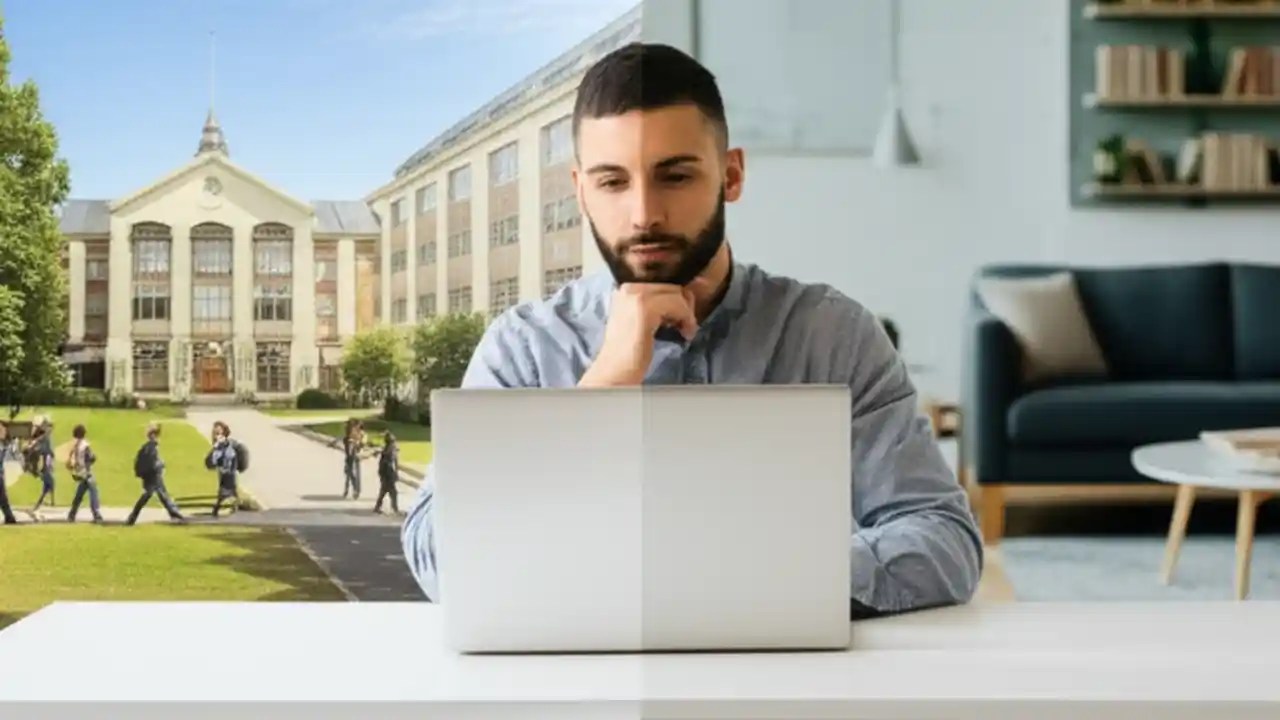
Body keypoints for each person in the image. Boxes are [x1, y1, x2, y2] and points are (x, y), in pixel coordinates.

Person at [401, 42, 983, 617]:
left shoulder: (832, 335)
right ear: (580, 192)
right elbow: (437, 555)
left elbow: (943, 538)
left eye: (674, 177)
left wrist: (744, 579)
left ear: (731, 175)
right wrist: (598, 394)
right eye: (612, 182)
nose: (644, 214)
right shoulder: (522, 349)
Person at [126, 422, 186, 525]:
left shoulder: (148, 447)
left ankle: (173, 513)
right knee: (153, 494)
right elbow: (152, 462)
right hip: (153, 475)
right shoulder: (151, 447)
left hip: (151, 475)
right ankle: (133, 517)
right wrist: (160, 465)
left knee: (160, 494)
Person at [66, 423, 104, 524]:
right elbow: (91, 458)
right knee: (93, 494)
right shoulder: (85, 445)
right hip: (87, 473)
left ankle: (72, 514)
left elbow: (73, 460)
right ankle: (97, 515)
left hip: (80, 473)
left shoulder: (75, 446)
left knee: (79, 495)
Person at [206, 421, 239, 518]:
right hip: (224, 468)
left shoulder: (224, 442)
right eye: (215, 431)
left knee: (225, 489)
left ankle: (217, 509)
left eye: (218, 430)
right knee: (229, 489)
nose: (215, 432)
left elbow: (228, 454)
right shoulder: (219, 443)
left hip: (228, 468)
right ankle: (233, 506)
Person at [27, 417, 56, 515]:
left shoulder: (47, 438)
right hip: (44, 466)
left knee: (48, 486)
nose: (50, 430)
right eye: (48, 428)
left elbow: (48, 450)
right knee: (50, 484)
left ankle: (46, 503)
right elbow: (37, 443)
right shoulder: (44, 437)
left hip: (46, 465)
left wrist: (51, 454)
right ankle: (43, 504)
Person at [373, 430, 401, 515]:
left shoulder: (388, 450)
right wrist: (394, 474)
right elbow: (391, 463)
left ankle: (378, 507)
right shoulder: (389, 451)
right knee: (392, 492)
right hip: (388, 474)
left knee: (385, 491)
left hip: (385, 473)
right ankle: (394, 508)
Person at [340, 418, 365, 500]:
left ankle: (354, 490)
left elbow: (361, 444)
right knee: (349, 473)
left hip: (354, 456)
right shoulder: (349, 435)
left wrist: (356, 444)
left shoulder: (360, 434)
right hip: (350, 457)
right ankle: (349, 490)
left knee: (353, 474)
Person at [0, 422, 18, 525]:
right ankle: (9, 518)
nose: (3, 432)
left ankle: (9, 518)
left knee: (3, 499)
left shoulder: (3, 444)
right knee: (3, 499)